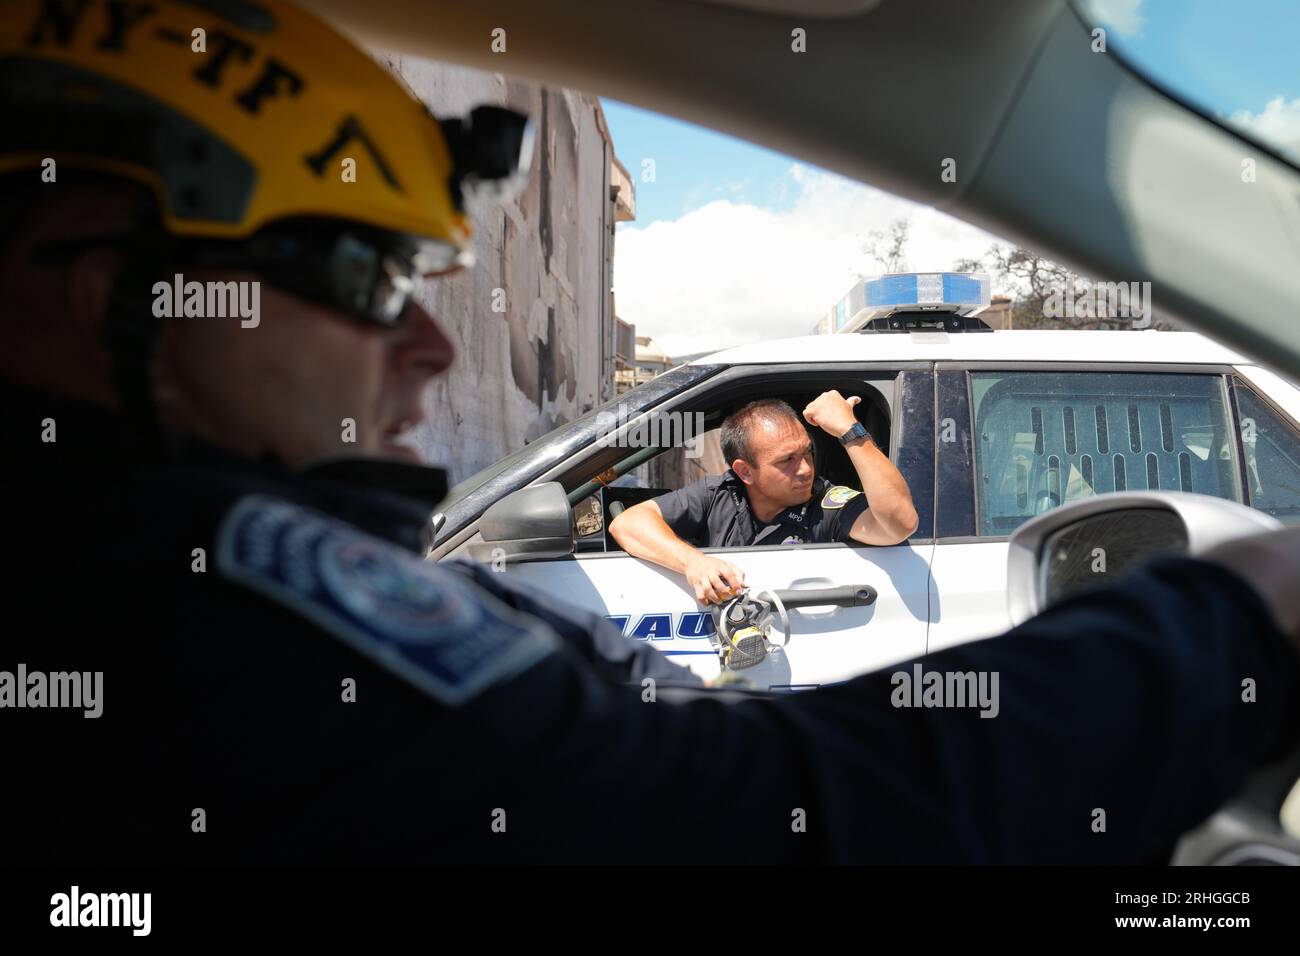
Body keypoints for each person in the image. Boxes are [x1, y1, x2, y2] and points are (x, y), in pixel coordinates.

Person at [3, 0, 1299, 865]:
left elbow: (899, 528)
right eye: (364, 280)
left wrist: (852, 450)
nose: (435, 348)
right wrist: (1234, 617)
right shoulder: (192, 590)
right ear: (105, 293)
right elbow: (743, 814)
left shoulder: (838, 509)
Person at [608, 396, 918, 604]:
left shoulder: (827, 505)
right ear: (745, 472)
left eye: (807, 452)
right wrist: (694, 563)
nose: (806, 468)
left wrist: (850, 431)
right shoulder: (720, 493)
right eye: (787, 460)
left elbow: (898, 525)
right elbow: (628, 523)